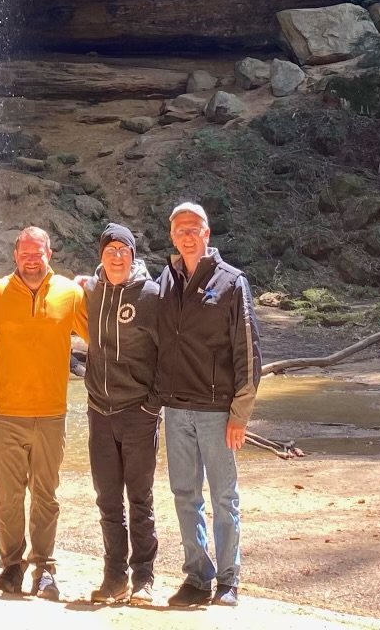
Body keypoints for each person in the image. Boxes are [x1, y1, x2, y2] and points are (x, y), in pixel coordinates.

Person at [153, 200, 259, 608]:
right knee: (184, 494)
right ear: (172, 236)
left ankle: (229, 579)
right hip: (176, 408)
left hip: (218, 411)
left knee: (223, 498)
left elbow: (247, 353)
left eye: (194, 227)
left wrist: (240, 414)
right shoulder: (166, 280)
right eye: (180, 228)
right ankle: (197, 576)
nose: (187, 234)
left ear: (207, 234)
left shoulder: (232, 282)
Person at [0, 224, 89, 600]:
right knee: (8, 495)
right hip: (7, 412)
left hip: (51, 413)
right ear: (16, 255)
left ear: (50, 254)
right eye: (25, 253)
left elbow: (102, 336)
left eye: (38, 253)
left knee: (46, 495)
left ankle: (44, 568)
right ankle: (11, 567)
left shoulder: (70, 293)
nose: (32, 260)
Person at [79, 222, 163, 606]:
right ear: (101, 255)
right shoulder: (92, 291)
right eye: (110, 250)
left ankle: (144, 577)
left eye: (123, 251)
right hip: (99, 411)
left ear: (133, 256)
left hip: (138, 413)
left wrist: (152, 405)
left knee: (140, 499)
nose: (117, 257)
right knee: (108, 500)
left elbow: (168, 355)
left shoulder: (150, 295)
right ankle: (115, 577)